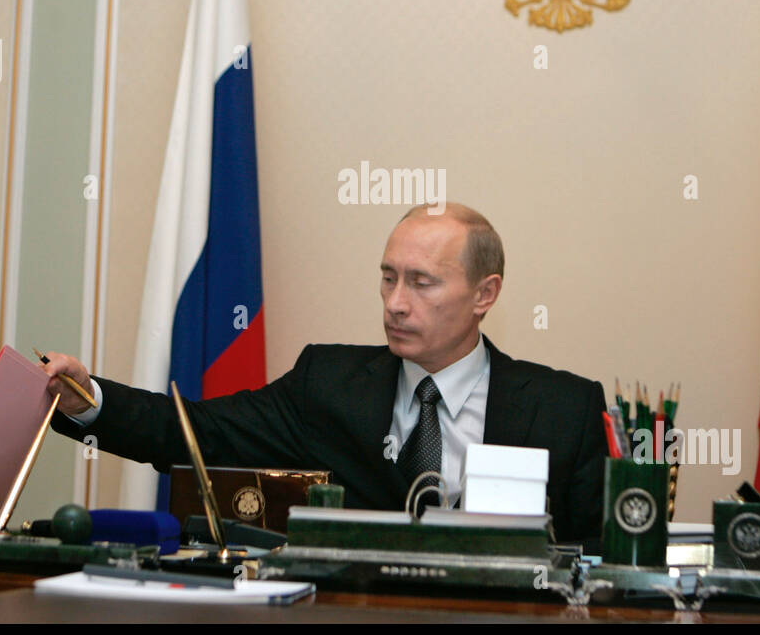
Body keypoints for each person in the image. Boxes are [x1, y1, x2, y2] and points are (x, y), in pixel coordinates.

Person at [44, 202, 607, 544]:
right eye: (388, 278)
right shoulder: (329, 383)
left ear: (485, 294)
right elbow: (197, 432)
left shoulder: (564, 409)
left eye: (421, 282)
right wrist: (88, 400)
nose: (396, 303)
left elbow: (595, 562)